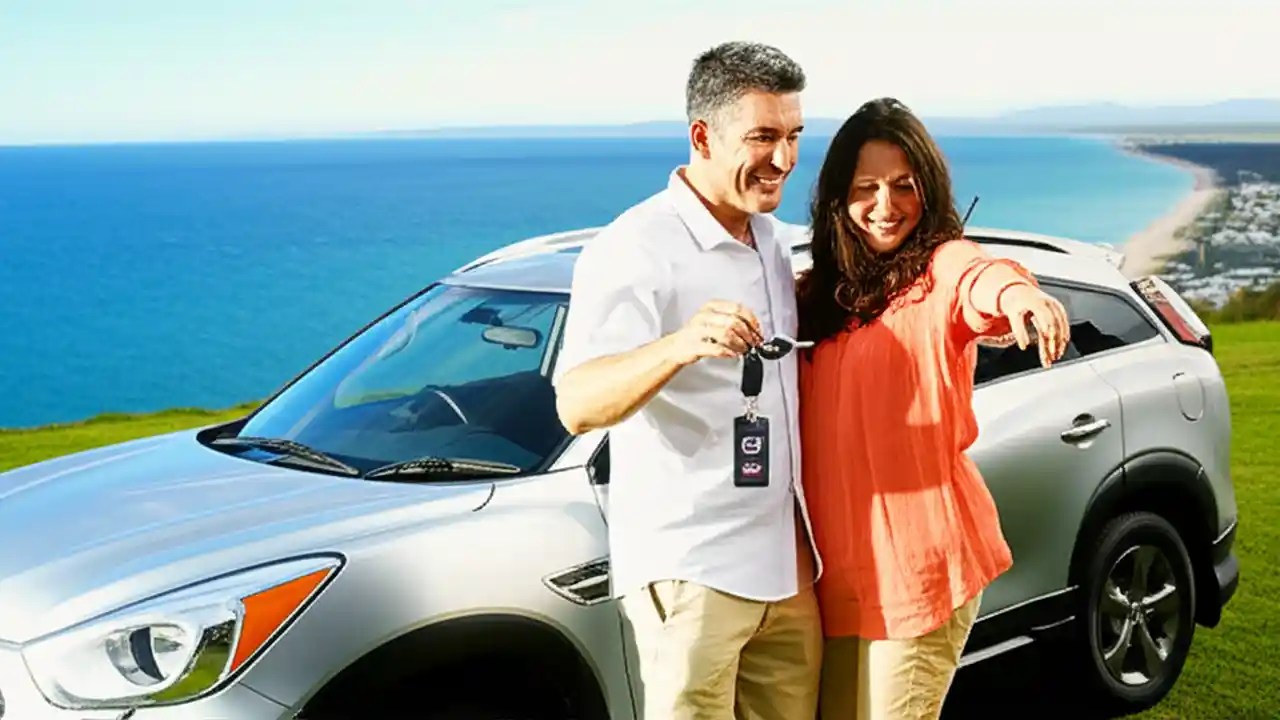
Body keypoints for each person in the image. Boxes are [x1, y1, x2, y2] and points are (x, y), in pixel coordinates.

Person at [553, 41, 822, 720]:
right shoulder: (633, 246)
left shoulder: (772, 236)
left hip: (787, 563)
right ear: (703, 135)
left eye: (793, 136)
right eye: (763, 137)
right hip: (691, 571)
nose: (785, 160)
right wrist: (677, 346)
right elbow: (577, 405)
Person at [794, 97, 1071, 720]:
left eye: (903, 186)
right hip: (837, 579)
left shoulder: (938, 268)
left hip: (920, 568)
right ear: (838, 197)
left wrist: (1023, 297)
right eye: (866, 187)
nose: (885, 206)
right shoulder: (818, 298)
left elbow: (980, 279)